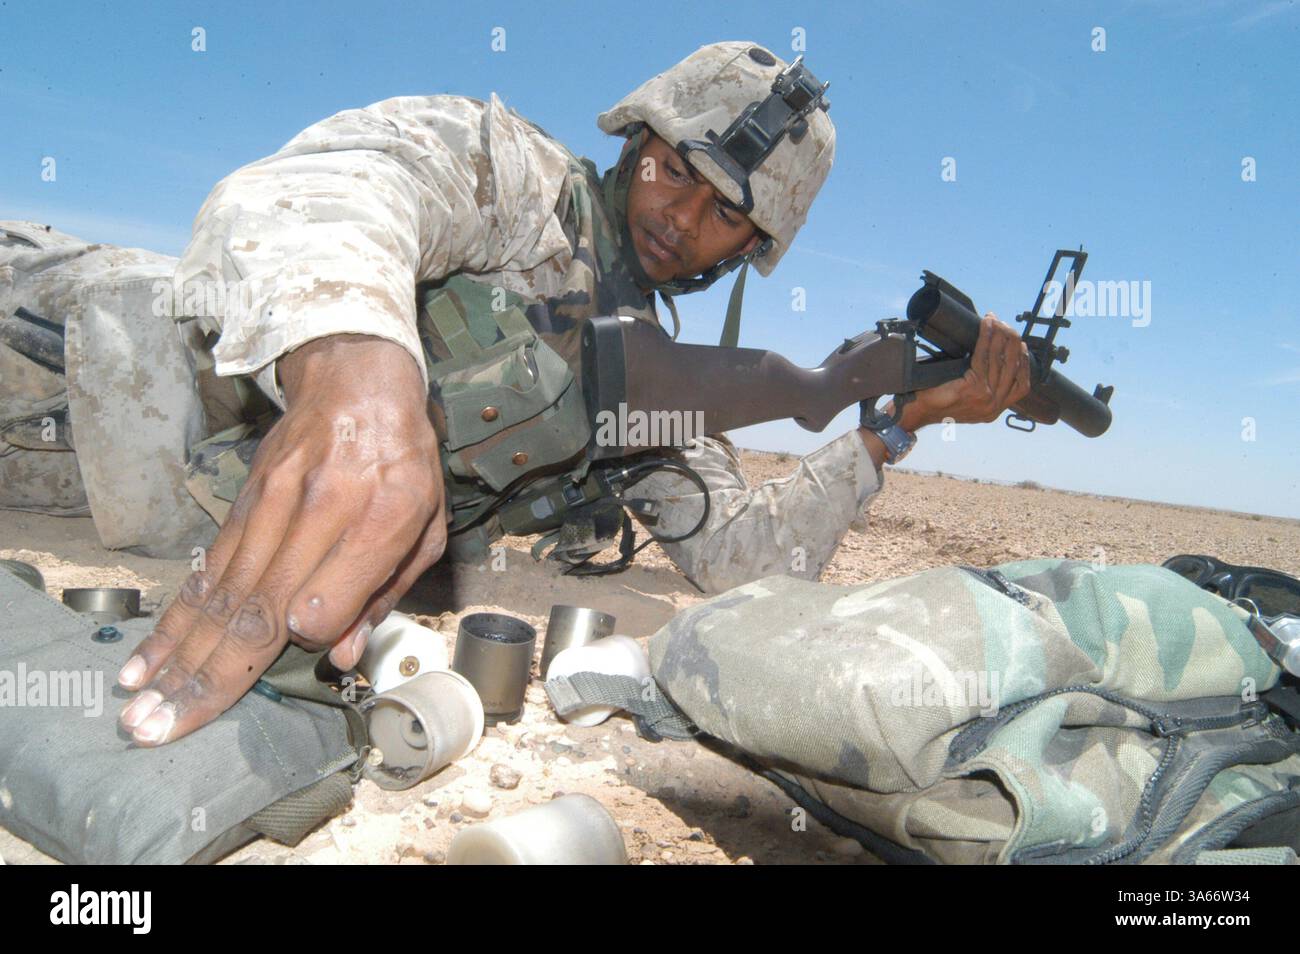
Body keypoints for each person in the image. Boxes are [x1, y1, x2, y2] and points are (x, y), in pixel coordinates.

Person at [0, 42, 1030, 746]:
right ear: (637, 139)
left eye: (725, 213)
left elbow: (746, 556)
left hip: (105, 509)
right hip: (79, 352)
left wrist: (896, 428)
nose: (682, 216)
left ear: (753, 250)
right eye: (676, 169)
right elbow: (325, 187)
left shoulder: (662, 394)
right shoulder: (518, 185)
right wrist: (358, 366)